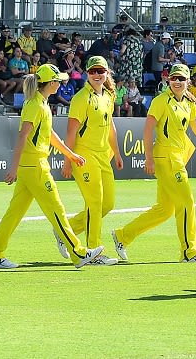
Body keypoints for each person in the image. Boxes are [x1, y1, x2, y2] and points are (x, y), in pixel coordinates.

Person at [0, 64, 105, 269]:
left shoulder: (41, 104)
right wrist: (13, 168)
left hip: (32, 165)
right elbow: (23, 135)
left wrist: (71, 154)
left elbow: (50, 136)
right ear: (51, 83)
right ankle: (78, 252)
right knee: (56, 209)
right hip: (35, 166)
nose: (61, 84)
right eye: (58, 81)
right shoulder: (36, 105)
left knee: (15, 212)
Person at [112, 63, 196, 264]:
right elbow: (148, 129)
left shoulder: (188, 102)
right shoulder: (161, 101)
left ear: (187, 82)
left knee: (165, 209)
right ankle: (189, 252)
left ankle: (123, 235)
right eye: (174, 78)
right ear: (168, 80)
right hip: (166, 157)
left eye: (181, 79)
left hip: (177, 157)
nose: (177, 82)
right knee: (186, 201)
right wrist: (148, 158)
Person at [62, 56, 123, 263]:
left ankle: (66, 232)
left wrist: (117, 152)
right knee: (95, 203)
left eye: (101, 71)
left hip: (103, 155)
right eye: (93, 71)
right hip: (83, 155)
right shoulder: (80, 98)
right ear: (87, 73)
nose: (97, 75)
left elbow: (111, 126)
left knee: (108, 204)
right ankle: (93, 250)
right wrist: (68, 159)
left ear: (107, 73)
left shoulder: (108, 96)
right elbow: (71, 132)